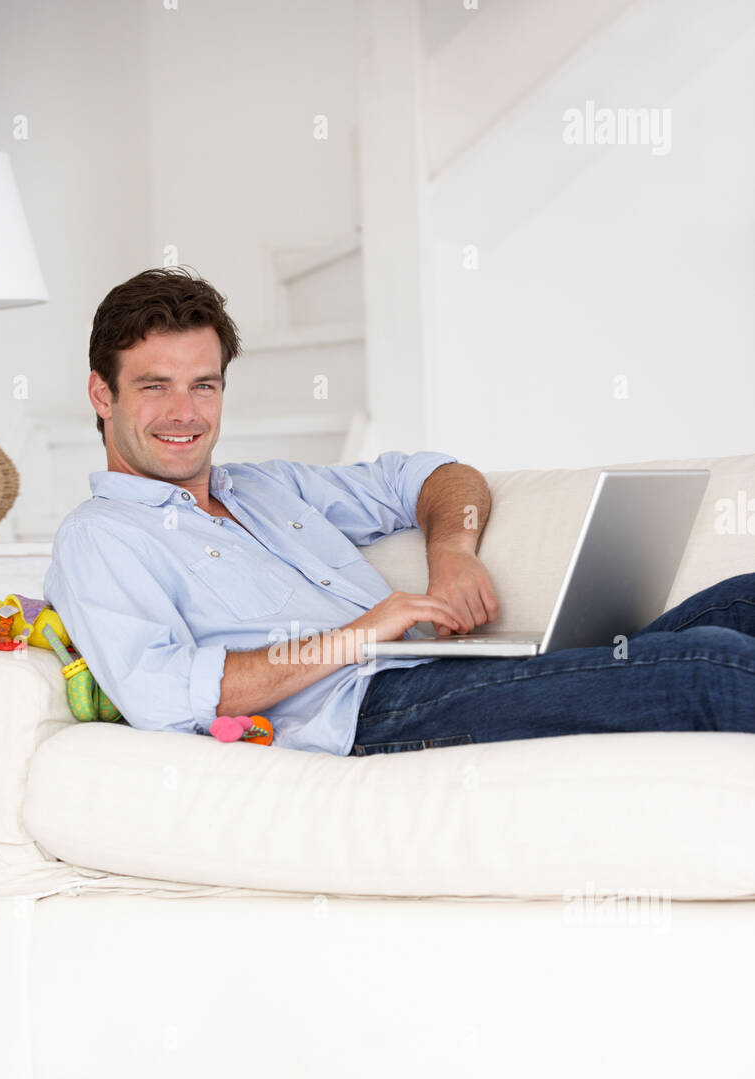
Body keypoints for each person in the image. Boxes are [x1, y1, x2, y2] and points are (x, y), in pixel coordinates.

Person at [44, 267, 755, 757]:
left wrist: (453, 552)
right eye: (155, 387)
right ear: (102, 395)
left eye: (203, 385)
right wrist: (359, 635)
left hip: (432, 665)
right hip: (373, 714)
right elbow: (164, 697)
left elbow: (437, 477)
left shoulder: (264, 487)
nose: (184, 413)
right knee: (707, 669)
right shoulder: (100, 538)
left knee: (744, 600)